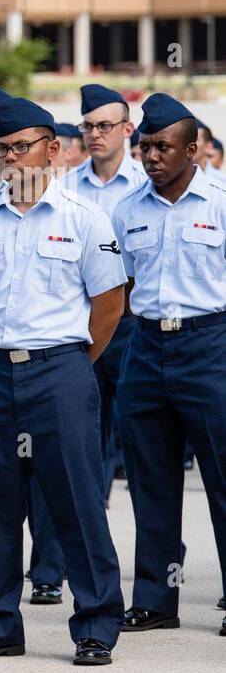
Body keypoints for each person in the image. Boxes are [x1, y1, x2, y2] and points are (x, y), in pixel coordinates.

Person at [0, 96, 126, 665]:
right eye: (4, 148)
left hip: (60, 373)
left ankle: (95, 623)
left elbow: (110, 304)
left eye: (23, 147)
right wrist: (5, 345)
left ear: (52, 149)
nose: (12, 157)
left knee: (75, 499)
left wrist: (67, 362)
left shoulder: (85, 219)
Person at [113, 93, 226, 638]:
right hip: (148, 346)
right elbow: (125, 283)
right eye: (145, 147)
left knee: (223, 479)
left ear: (193, 148)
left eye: (163, 147)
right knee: (150, 482)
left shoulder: (221, 202)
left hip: (211, 347)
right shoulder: (127, 209)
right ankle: (157, 600)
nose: (151, 156)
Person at [67, 84, 148, 500]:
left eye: (105, 125)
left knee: (142, 441)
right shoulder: (64, 186)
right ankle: (88, 549)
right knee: (84, 440)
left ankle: (159, 557)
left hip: (133, 324)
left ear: (128, 129)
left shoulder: (146, 184)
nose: (95, 133)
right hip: (82, 322)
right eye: (88, 125)